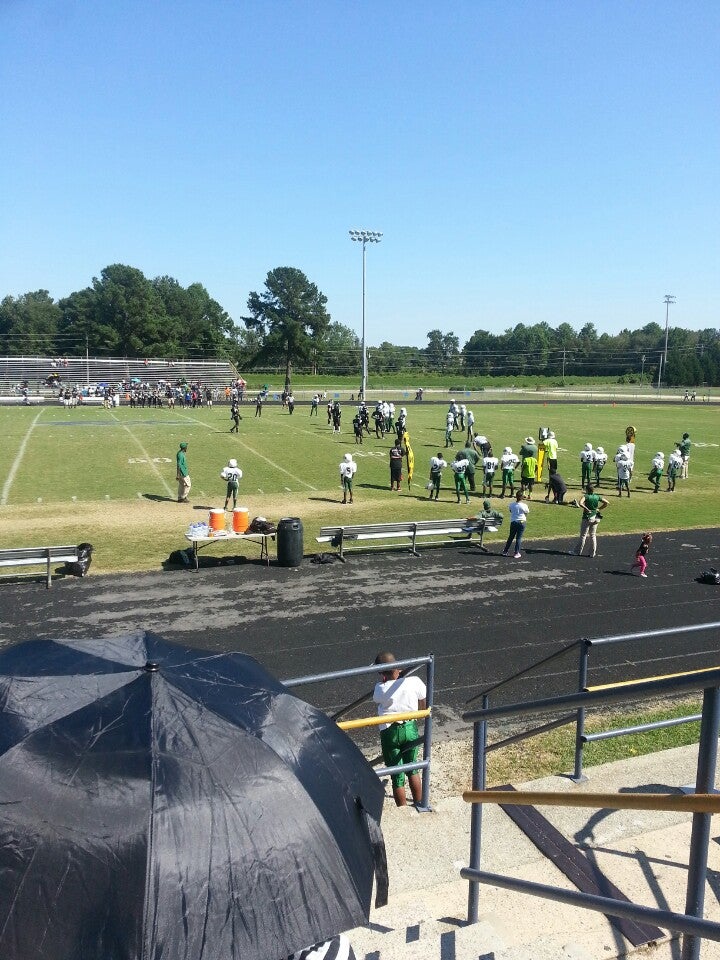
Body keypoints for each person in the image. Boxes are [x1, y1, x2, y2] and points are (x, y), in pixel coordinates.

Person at [373, 651, 427, 807]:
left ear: (381, 673)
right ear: (397, 666)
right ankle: (419, 804)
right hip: (410, 727)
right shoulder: (414, 681)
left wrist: (387, 679)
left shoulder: (380, 688)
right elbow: (423, 701)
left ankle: (403, 810)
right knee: (413, 768)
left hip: (390, 731)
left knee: (397, 776)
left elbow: (377, 698)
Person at [573, 485, 609, 557]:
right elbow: (606, 502)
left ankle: (577, 552)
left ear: (587, 490)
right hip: (596, 518)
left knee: (583, 535)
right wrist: (599, 509)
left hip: (587, 518)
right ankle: (592, 553)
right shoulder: (597, 496)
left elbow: (580, 503)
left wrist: (586, 509)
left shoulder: (586, 496)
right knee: (593, 535)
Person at [502, 490, 529, 559]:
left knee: (511, 537)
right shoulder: (524, 505)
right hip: (522, 522)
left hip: (513, 522)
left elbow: (511, 511)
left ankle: (505, 551)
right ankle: (516, 553)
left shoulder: (511, 504)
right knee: (518, 538)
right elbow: (526, 512)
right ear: (522, 497)